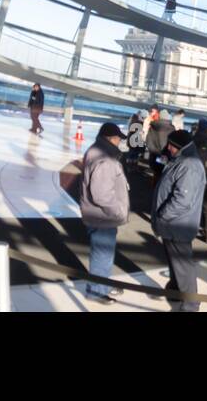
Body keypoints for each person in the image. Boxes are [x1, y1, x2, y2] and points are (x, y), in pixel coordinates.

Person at [153, 130, 206, 311]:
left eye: (171, 145)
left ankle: (191, 304)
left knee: (183, 265)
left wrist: (163, 215)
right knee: (175, 261)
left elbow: (182, 200)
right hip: (173, 224)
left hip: (177, 224)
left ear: (181, 146)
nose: (168, 148)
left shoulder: (190, 164)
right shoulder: (183, 159)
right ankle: (176, 289)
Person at [79, 122, 130, 303]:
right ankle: (96, 292)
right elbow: (101, 195)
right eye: (118, 138)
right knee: (102, 255)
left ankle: (102, 285)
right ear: (110, 138)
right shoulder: (106, 160)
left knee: (102, 254)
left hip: (96, 214)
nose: (119, 142)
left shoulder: (96, 151)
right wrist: (119, 211)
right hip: (102, 215)